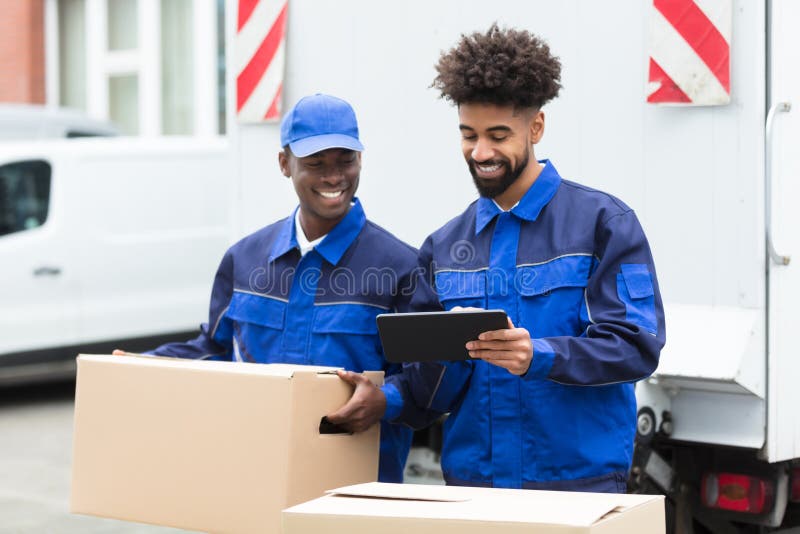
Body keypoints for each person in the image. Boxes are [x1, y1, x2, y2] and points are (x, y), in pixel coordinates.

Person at [328, 25, 665, 493]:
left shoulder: (604, 224)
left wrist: (539, 354)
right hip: (475, 489)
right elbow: (429, 387)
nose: (480, 152)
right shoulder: (444, 247)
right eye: (469, 135)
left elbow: (636, 346)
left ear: (536, 127)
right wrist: (386, 398)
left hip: (575, 488)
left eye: (498, 135)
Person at [115, 93, 416, 483]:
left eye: (346, 161)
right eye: (315, 163)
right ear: (284, 164)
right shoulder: (244, 260)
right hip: (256, 475)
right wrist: (143, 366)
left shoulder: (400, 267)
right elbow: (216, 349)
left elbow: (426, 377)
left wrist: (385, 399)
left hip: (358, 487)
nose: (333, 176)